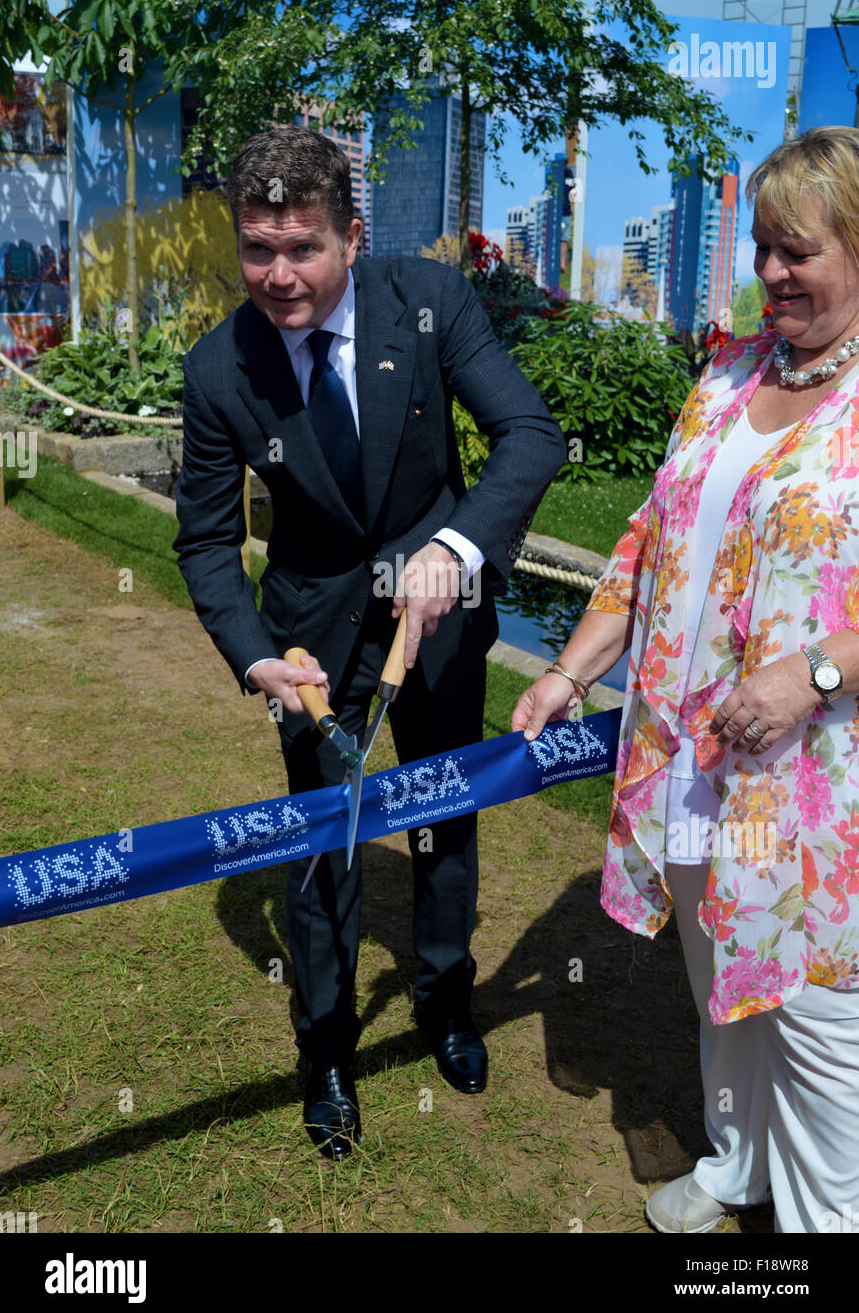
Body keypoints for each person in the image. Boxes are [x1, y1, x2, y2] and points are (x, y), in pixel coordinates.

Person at [174, 125, 566, 1159]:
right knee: (321, 852)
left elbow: (531, 435)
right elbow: (209, 541)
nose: (279, 274)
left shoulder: (428, 302)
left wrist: (453, 545)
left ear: (351, 236)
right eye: (258, 248)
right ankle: (328, 1050)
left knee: (443, 828)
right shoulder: (218, 367)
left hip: (438, 624)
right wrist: (256, 654)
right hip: (308, 643)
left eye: (302, 246)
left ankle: (445, 1002)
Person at [512, 125, 859, 1233]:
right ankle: (736, 1163)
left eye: (796, 251)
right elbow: (645, 543)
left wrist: (813, 672)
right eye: (760, 247)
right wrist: (570, 672)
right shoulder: (724, 377)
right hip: (688, 757)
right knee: (719, 979)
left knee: (812, 1016)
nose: (768, 274)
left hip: (811, 784)